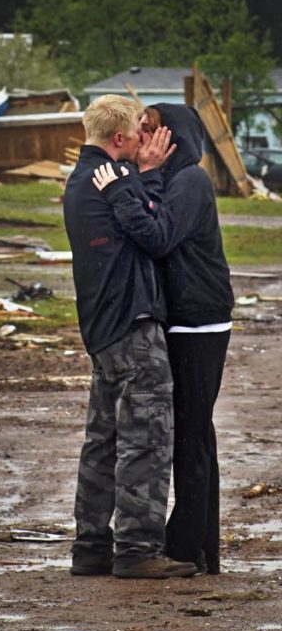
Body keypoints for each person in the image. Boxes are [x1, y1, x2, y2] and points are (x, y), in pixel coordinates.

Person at [92, 103, 234, 575]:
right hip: (184, 321)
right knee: (194, 435)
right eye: (141, 130)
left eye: (152, 130)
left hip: (199, 323)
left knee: (191, 436)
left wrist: (123, 189)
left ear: (173, 139)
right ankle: (199, 545)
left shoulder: (189, 180)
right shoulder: (169, 179)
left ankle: (187, 544)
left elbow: (159, 236)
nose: (142, 136)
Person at [63, 94, 196, 579]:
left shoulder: (80, 180)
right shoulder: (113, 181)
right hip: (133, 325)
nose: (147, 137)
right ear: (120, 138)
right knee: (146, 440)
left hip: (101, 329)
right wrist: (151, 176)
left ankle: (91, 547)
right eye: (140, 129)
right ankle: (138, 550)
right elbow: (155, 234)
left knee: (102, 439)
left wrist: (137, 177)